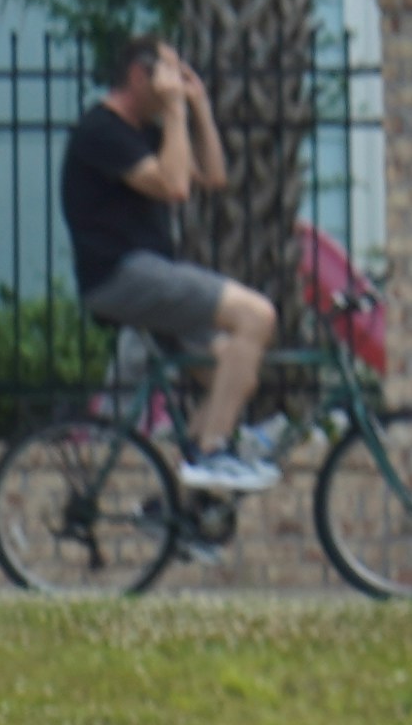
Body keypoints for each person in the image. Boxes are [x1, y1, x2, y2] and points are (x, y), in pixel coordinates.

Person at [63, 32, 279, 528]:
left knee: (230, 367)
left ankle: (184, 509)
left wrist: (197, 107)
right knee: (256, 316)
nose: (174, 85)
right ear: (139, 76)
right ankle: (210, 455)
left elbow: (214, 174)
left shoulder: (145, 131)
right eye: (167, 74)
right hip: (123, 277)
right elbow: (175, 187)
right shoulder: (102, 130)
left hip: (151, 276)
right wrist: (177, 112)